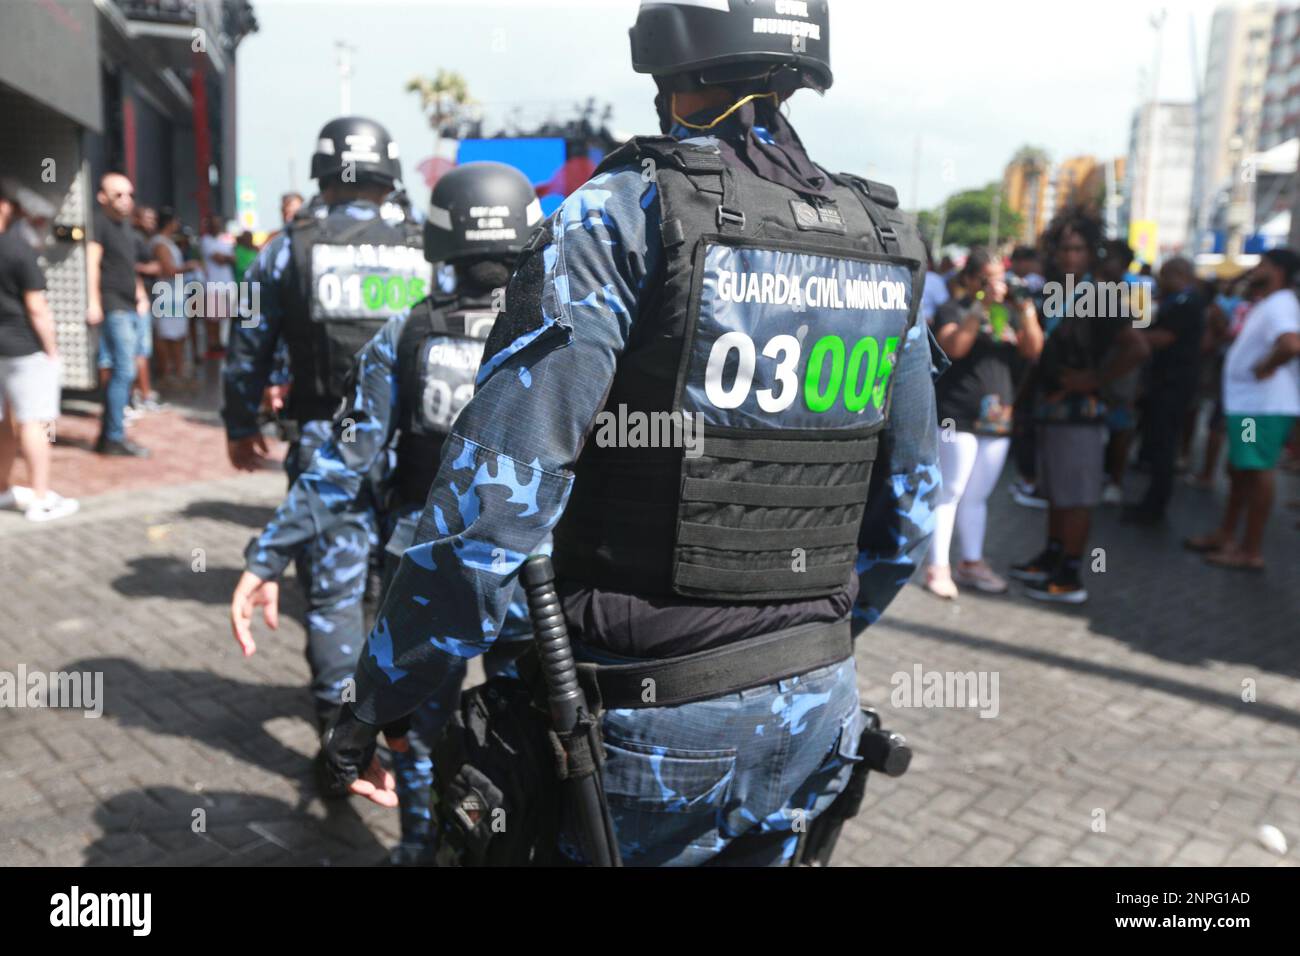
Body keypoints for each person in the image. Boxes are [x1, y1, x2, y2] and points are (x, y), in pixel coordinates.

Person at [320, 0, 943, 867]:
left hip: (642, 727)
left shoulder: (623, 215)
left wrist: (380, 696)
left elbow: (492, 514)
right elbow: (909, 515)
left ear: (668, 62)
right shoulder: (883, 242)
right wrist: (800, 648)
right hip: (817, 711)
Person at [230, 161, 541, 861]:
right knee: (532, 734)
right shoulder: (566, 337)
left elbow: (341, 465)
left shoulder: (405, 336)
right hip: (532, 586)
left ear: (437, 242)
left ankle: (423, 845)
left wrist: (268, 555)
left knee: (417, 734)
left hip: (422, 587)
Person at [222, 116, 428, 736]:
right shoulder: (426, 245)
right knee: (404, 592)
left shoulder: (287, 247)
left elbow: (246, 348)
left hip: (326, 447)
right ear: (389, 175)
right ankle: (403, 733)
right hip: (417, 451)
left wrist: (239, 422)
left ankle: (344, 743)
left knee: (335, 598)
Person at [1009, 211, 1149, 604]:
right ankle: (1052, 557)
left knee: (1076, 495)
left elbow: (1137, 346)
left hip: (1081, 412)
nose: (1069, 256)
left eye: (1078, 249)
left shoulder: (1100, 294)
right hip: (1051, 409)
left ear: (1091, 252)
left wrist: (1093, 381)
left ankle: (1069, 575)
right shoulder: (1059, 290)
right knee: (1057, 491)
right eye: (1063, 248)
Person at [925, 249, 1042, 599]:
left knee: (977, 496)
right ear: (973, 280)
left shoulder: (1009, 315)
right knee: (950, 491)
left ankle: (971, 563)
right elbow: (953, 348)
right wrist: (978, 310)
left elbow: (1033, 351)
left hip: (997, 418)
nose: (997, 286)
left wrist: (1025, 312)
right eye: (988, 279)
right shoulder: (954, 308)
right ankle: (937, 567)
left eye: (1000, 279)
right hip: (957, 414)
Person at [1186, 248, 1300, 571]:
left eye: (1262, 264)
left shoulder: (1281, 305)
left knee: (1256, 469)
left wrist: (1266, 365)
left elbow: (1291, 344)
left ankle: (1250, 550)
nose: (1255, 268)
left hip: (1260, 408)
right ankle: (1228, 534)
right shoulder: (1270, 303)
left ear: (1277, 270)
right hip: (1250, 406)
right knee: (1241, 467)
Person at [0, 180, 78, 521]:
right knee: (34, 422)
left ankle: (2, 489)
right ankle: (41, 498)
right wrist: (52, 350)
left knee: (3, 422)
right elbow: (37, 308)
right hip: (24, 350)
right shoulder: (18, 251)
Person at [1123, 257, 1203, 523]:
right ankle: (1153, 502)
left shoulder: (1186, 303)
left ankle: (1154, 506)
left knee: (1164, 443)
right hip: (1166, 382)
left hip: (1172, 384)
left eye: (1164, 276)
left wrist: (1128, 337)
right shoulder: (1181, 301)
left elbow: (1164, 337)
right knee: (1159, 442)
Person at [87, 172, 152, 457]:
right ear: (103, 197)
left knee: (123, 369)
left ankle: (108, 434)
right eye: (118, 195)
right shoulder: (99, 225)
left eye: (129, 194)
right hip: (113, 305)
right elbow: (92, 263)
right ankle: (114, 436)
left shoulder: (126, 228)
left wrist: (139, 293)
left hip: (129, 304)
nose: (126, 200)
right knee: (124, 370)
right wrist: (93, 302)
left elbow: (129, 267)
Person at [149, 209, 201, 388]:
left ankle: (178, 369)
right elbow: (169, 270)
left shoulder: (167, 242)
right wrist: (190, 266)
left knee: (178, 334)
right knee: (166, 335)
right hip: (167, 295)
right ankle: (167, 372)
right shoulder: (160, 243)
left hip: (175, 294)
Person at [198, 215, 236, 359]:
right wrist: (226, 258)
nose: (216, 226)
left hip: (228, 284)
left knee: (226, 317)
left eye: (218, 223)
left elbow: (233, 259)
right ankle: (213, 345)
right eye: (213, 224)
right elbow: (219, 259)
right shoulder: (205, 241)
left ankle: (222, 344)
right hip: (213, 285)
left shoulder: (225, 239)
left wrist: (225, 258)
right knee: (213, 318)